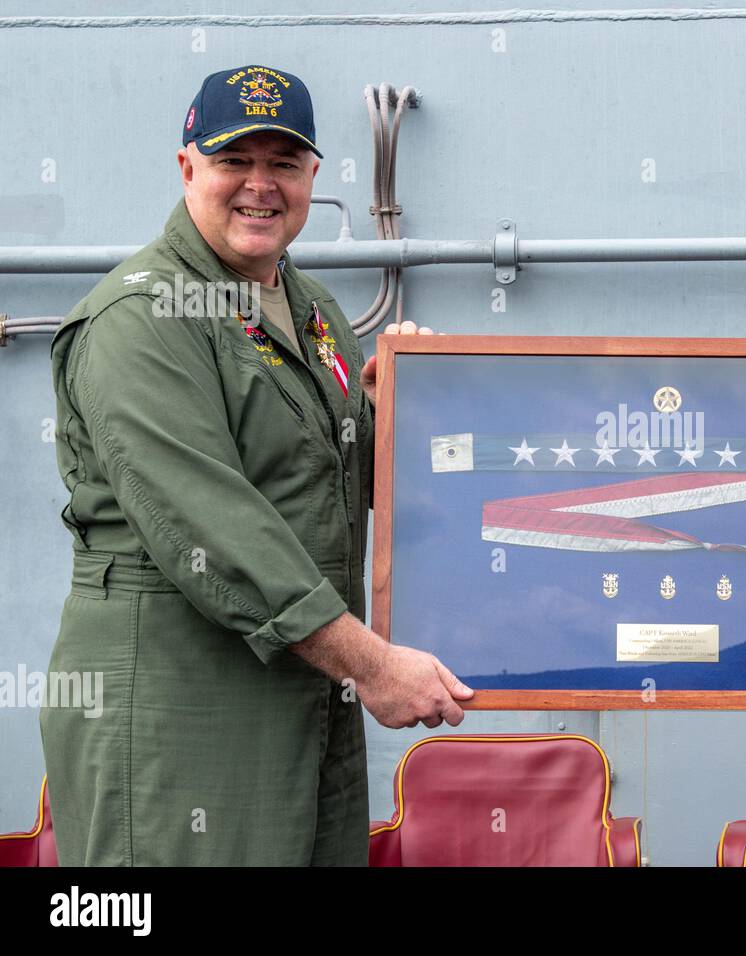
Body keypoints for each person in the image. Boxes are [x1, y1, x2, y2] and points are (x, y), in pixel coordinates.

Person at [41, 65, 473, 866]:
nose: (259, 186)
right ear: (188, 168)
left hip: (305, 697)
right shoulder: (143, 317)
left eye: (283, 162)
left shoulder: (309, 310)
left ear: (313, 176)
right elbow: (209, 525)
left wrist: (412, 409)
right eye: (236, 159)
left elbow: (337, 477)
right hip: (184, 713)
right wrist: (374, 665)